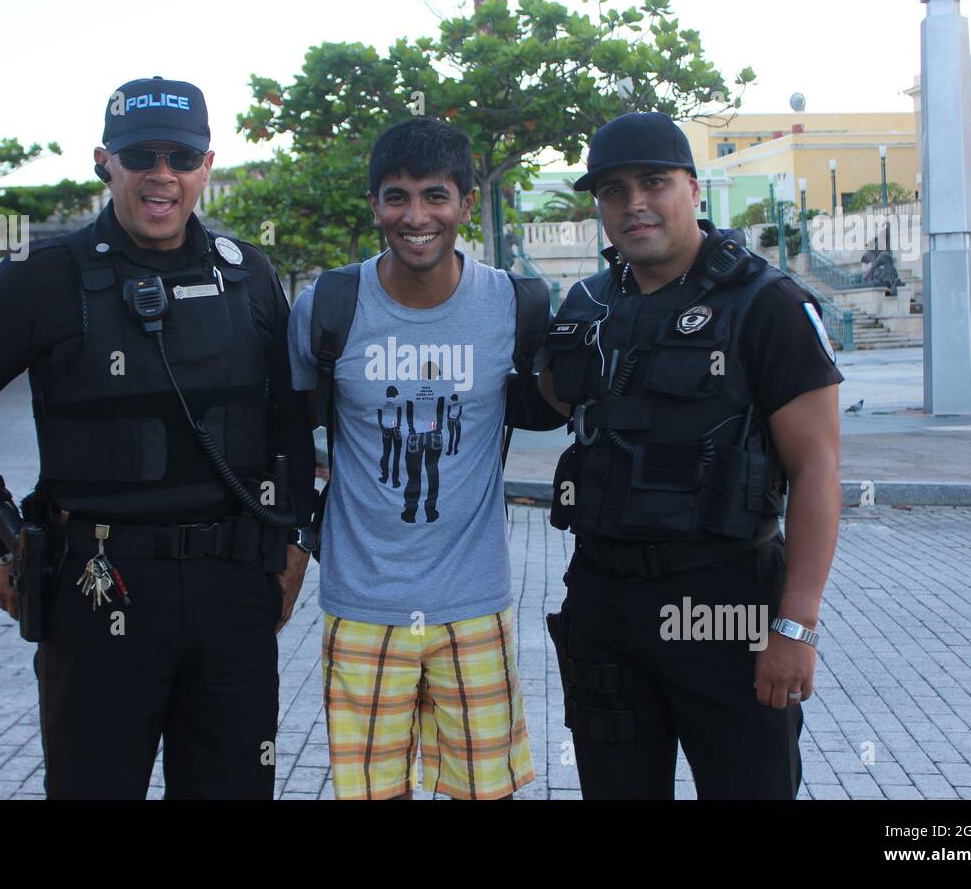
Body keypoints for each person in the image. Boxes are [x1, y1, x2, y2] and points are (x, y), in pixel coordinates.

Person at [0, 76, 316, 799]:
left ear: (207, 166)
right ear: (107, 161)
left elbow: (288, 417)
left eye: (181, 157)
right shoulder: (43, 278)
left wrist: (293, 547)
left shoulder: (250, 275)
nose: (162, 176)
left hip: (233, 593)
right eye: (141, 156)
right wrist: (4, 533)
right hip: (99, 594)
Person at [539, 111, 843, 799]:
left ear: (694, 188)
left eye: (654, 182)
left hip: (724, 602)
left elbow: (817, 470)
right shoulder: (585, 305)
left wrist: (796, 626)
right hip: (602, 599)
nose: (634, 204)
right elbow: (553, 403)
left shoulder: (767, 304)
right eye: (613, 191)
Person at [288, 117, 564, 799]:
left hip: (475, 603)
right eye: (397, 196)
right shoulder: (325, 307)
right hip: (361, 605)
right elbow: (287, 439)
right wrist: (293, 544)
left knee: (484, 791)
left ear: (466, 203)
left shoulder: (512, 305)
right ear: (375, 203)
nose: (416, 216)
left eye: (435, 196)